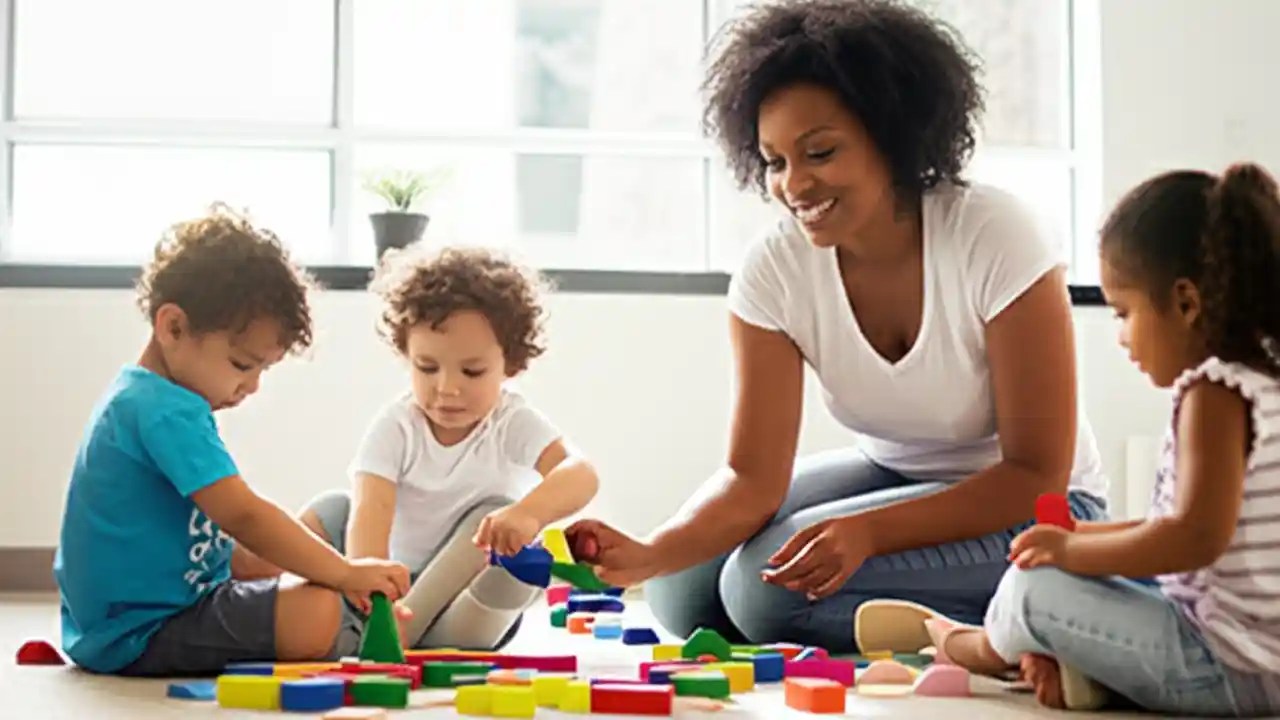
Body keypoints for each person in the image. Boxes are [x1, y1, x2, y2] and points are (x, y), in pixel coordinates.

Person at [566, 0, 1108, 651]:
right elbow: (751, 479)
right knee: (683, 590)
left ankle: (1031, 615)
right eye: (773, 162)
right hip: (896, 473)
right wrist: (652, 550)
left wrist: (871, 532)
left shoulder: (995, 236)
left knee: (761, 595)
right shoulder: (774, 271)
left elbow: (1035, 472)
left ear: (892, 136)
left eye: (819, 152)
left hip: (1044, 509)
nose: (795, 184)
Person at [927, 163, 1280, 718]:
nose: (1120, 336)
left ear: (1186, 303)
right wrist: (1086, 538)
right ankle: (1086, 671)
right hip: (1252, 655)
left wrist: (1070, 550)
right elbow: (1188, 531)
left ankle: (981, 648)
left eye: (1124, 313)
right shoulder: (1264, 382)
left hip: (1227, 670)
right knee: (1088, 565)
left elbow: (1192, 539)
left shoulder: (1212, 395)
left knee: (1033, 588)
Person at [53, 205, 411, 676]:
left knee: (331, 516)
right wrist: (343, 574)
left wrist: (330, 571)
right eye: (243, 365)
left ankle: (351, 604)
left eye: (262, 370)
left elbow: (224, 536)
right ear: (173, 327)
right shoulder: (163, 410)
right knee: (319, 608)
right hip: (144, 629)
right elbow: (242, 513)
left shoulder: (152, 396)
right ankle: (356, 620)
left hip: (176, 593)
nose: (252, 387)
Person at [301, 245, 599, 649]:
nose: (447, 388)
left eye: (472, 371)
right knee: (332, 509)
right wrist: (376, 596)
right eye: (427, 368)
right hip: (390, 585)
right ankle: (386, 630)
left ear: (510, 364)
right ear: (406, 355)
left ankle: (401, 636)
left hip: (462, 592)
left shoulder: (510, 421)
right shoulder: (397, 426)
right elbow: (372, 511)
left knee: (493, 520)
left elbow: (580, 474)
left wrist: (528, 513)